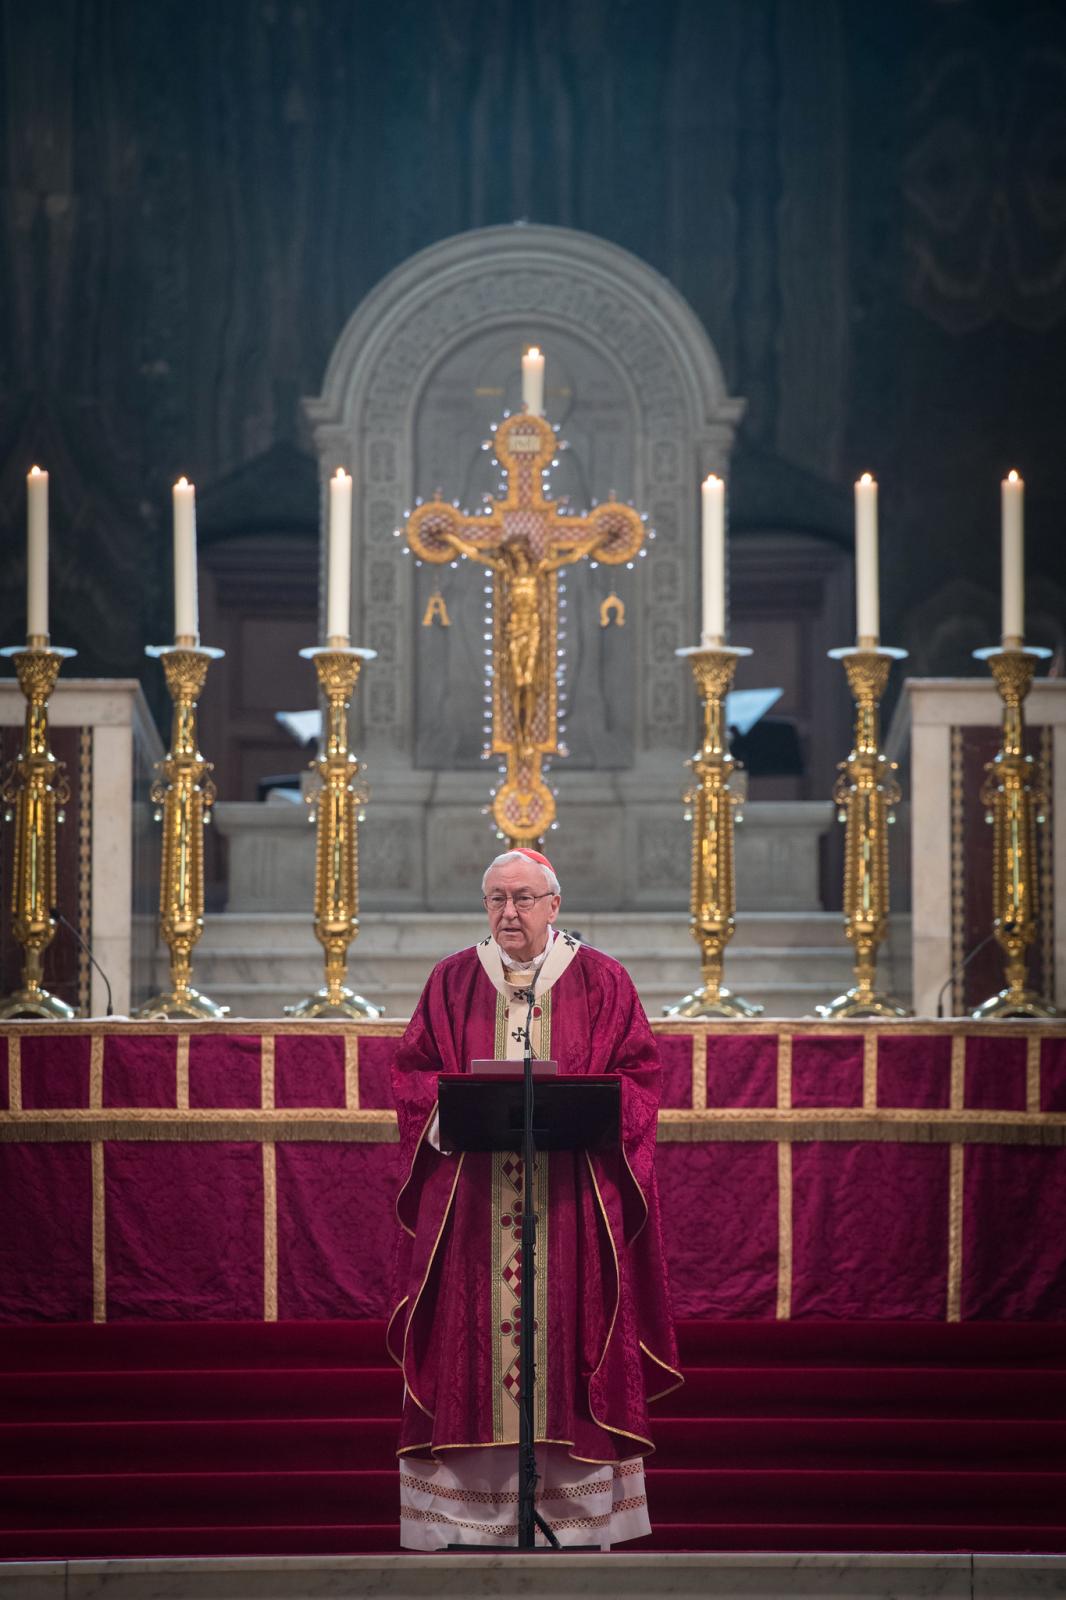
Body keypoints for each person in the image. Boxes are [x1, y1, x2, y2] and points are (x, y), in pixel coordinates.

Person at [388, 848, 681, 1550]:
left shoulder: (604, 981)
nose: (508, 913)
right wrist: (444, 1106)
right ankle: (474, 1520)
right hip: (476, 1208)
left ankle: (576, 1521)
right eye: (496, 899)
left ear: (555, 905)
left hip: (570, 1207)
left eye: (523, 899)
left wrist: (599, 1108)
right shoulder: (453, 980)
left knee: (572, 1346)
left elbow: (641, 1077)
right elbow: (412, 1072)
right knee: (469, 1350)